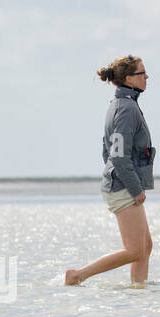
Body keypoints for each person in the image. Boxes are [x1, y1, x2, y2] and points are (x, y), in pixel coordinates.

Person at [65, 56, 155, 286]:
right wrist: (134, 188)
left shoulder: (123, 104)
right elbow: (117, 154)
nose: (146, 77)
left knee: (145, 247)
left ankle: (138, 290)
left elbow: (108, 151)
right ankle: (77, 275)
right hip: (123, 186)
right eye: (141, 73)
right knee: (135, 250)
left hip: (122, 182)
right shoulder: (126, 108)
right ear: (128, 79)